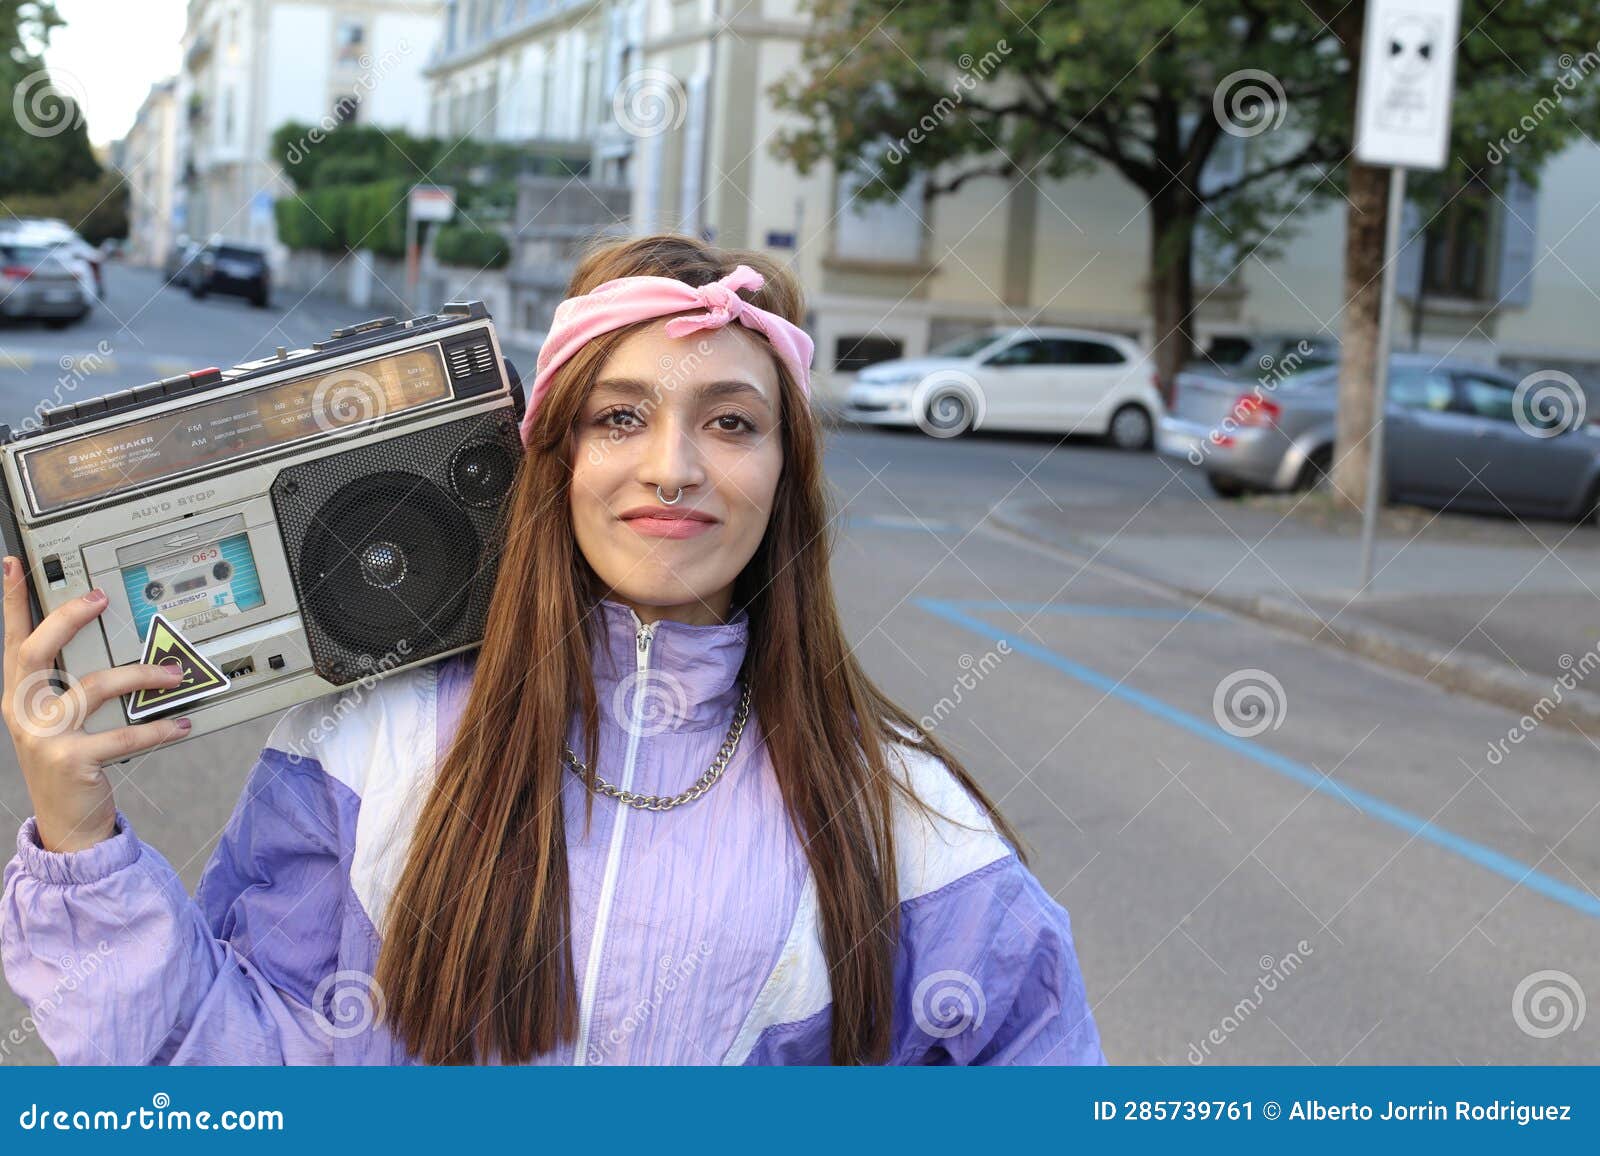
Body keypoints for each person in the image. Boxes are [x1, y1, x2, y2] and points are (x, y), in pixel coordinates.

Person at [0, 233, 1103, 1066]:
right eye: (620, 417)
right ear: (552, 456)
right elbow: (225, 1068)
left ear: (786, 472)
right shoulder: (368, 741)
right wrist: (79, 837)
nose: (672, 467)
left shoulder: (902, 815)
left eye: (730, 421)